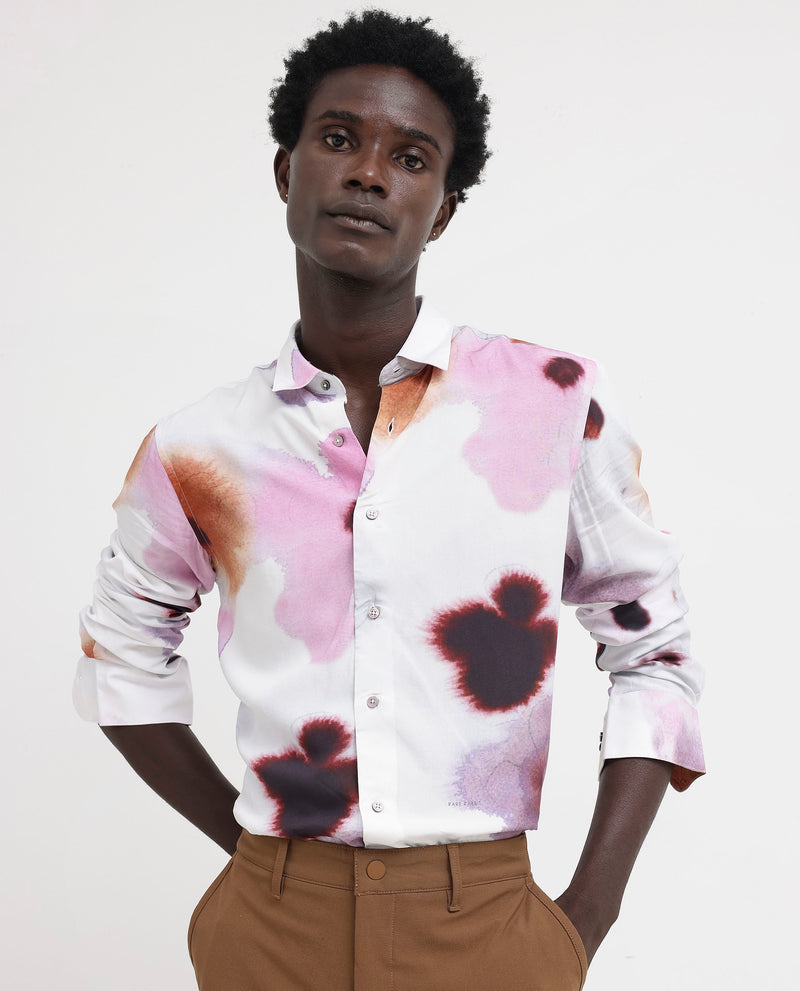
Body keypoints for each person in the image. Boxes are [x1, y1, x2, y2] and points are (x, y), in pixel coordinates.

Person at [74, 10, 705, 990]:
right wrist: (253, 856)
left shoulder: (551, 402)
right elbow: (120, 656)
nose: (369, 173)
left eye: (411, 158)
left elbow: (653, 648)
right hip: (268, 935)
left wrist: (585, 917)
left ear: (441, 210)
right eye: (338, 139)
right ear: (285, 171)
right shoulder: (198, 446)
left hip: (487, 930)